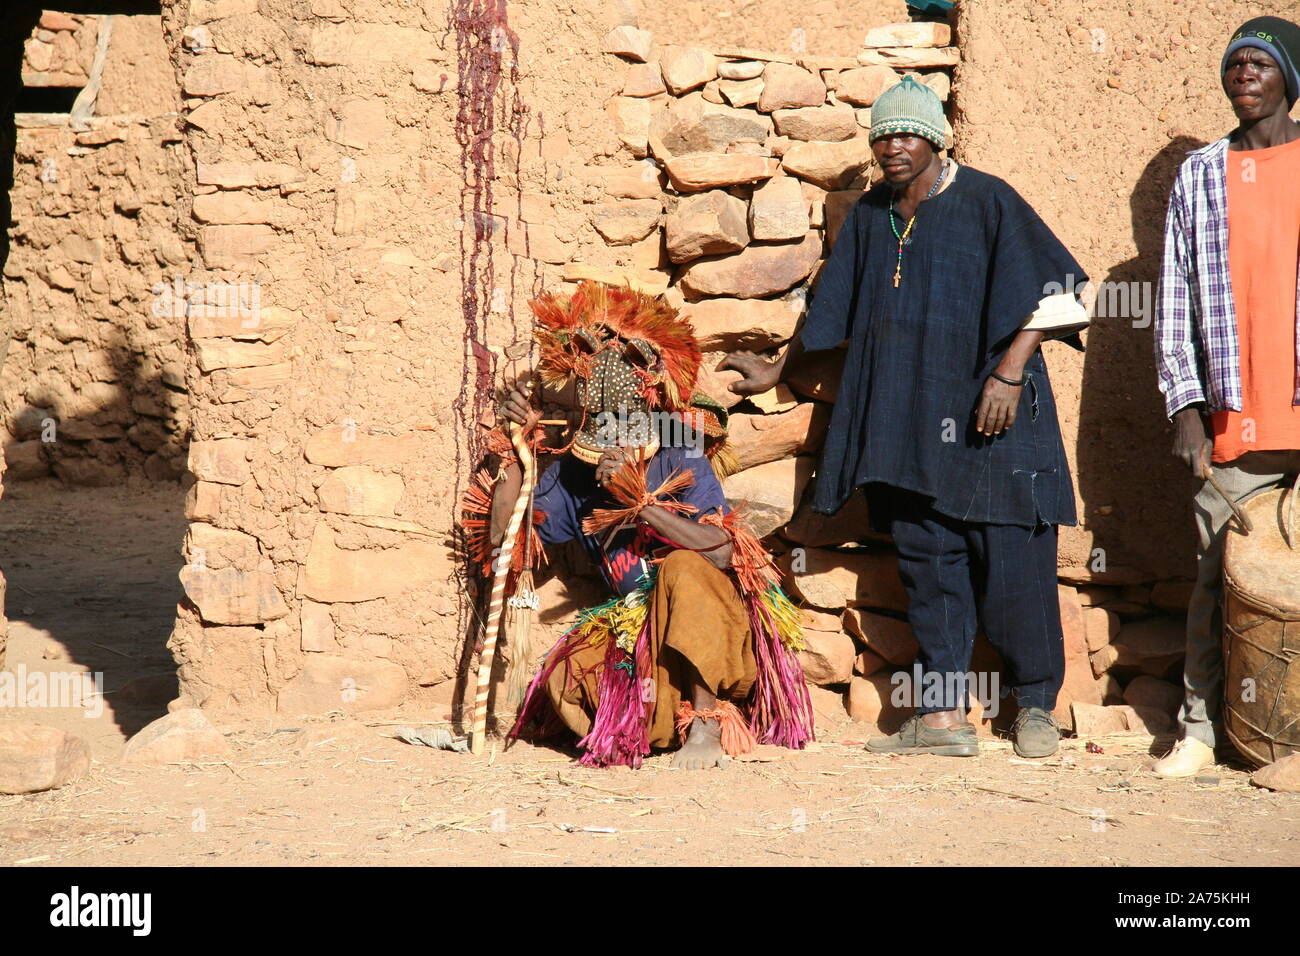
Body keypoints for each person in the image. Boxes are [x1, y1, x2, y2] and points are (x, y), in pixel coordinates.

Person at [721, 76, 1090, 759]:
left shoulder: (987, 200)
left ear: (935, 138)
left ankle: (1034, 706)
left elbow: (1065, 293)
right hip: (906, 422)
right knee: (929, 564)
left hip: (993, 419)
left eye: (906, 133)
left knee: (1013, 562)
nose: (892, 146)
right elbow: (828, 309)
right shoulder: (872, 215)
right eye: (882, 135)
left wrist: (1009, 372)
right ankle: (945, 719)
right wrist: (778, 370)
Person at [481, 281, 814, 769]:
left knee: (684, 567)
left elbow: (723, 551)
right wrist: (515, 453)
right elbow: (505, 546)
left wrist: (639, 504)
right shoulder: (577, 468)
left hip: (708, 630)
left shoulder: (679, 446)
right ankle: (656, 726)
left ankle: (705, 722)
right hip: (641, 630)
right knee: (564, 678)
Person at [1152, 16, 1300, 778]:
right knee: (1215, 577)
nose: (1245, 73)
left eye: (1261, 63)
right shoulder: (1202, 174)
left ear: (1289, 79)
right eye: (1235, 63)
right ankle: (1200, 728)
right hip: (1237, 413)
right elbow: (1175, 293)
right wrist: (1184, 406)